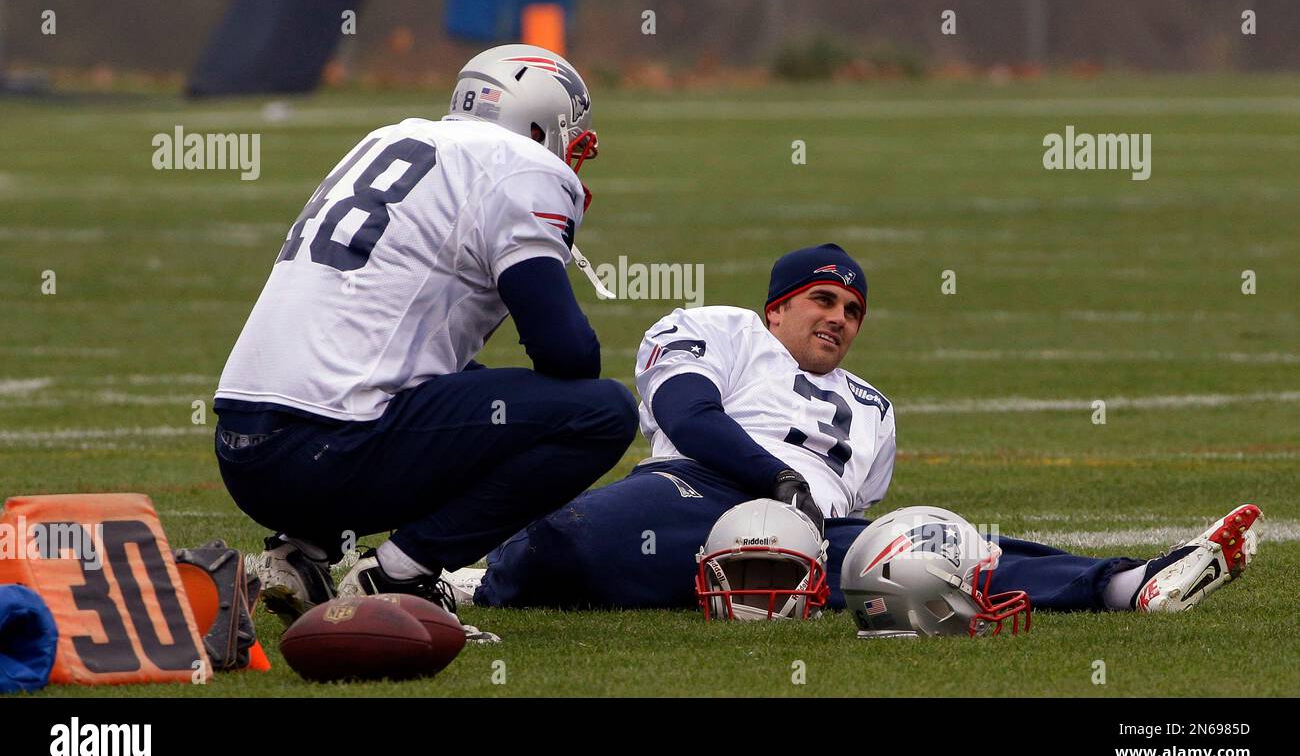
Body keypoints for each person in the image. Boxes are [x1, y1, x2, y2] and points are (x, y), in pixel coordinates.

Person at [468, 243, 1260, 618]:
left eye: (853, 312)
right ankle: (465, 581)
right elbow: (686, 415)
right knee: (569, 539)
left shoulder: (875, 408)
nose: (840, 319)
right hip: (695, 493)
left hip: (818, 531)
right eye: (823, 301)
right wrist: (770, 478)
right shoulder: (722, 329)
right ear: (777, 307)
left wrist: (808, 511)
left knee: (941, 559)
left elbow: (859, 507)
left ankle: (1131, 585)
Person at [214, 44, 638, 624]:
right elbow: (565, 352)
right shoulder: (522, 164)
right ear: (542, 123)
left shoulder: (390, 138)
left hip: (244, 455)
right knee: (602, 412)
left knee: (445, 378)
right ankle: (398, 571)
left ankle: (302, 552)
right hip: (328, 451)